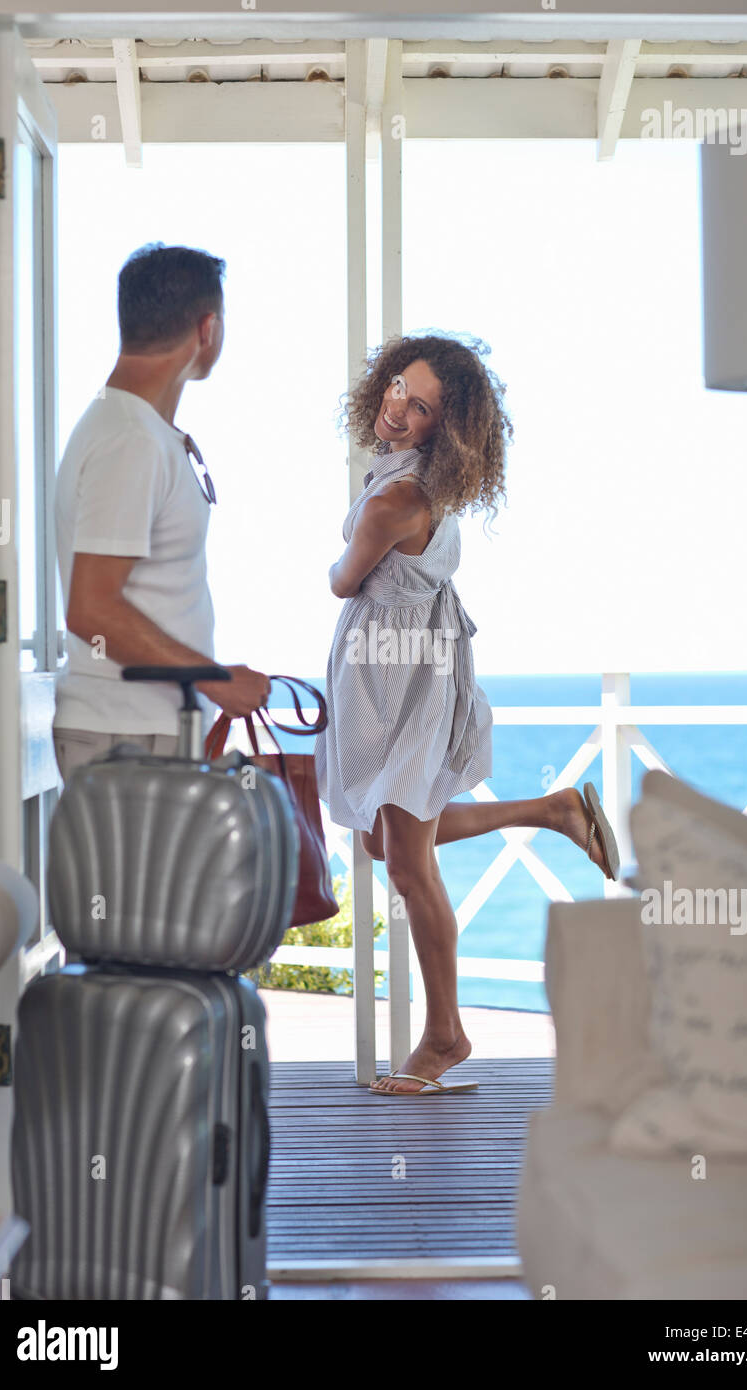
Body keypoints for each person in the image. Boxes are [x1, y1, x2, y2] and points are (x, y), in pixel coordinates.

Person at [314, 333, 619, 1096]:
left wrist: (343, 554)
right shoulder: (420, 483)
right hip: (408, 670)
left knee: (411, 865)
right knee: (391, 839)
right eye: (396, 390)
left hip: (399, 686)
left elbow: (342, 581)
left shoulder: (395, 498)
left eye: (418, 407)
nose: (396, 410)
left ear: (440, 427)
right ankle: (552, 810)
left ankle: (444, 1035)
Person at [53, 243, 270, 781]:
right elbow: (90, 611)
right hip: (125, 736)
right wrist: (215, 677)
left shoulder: (132, 428)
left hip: (137, 732)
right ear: (208, 329)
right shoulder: (131, 440)